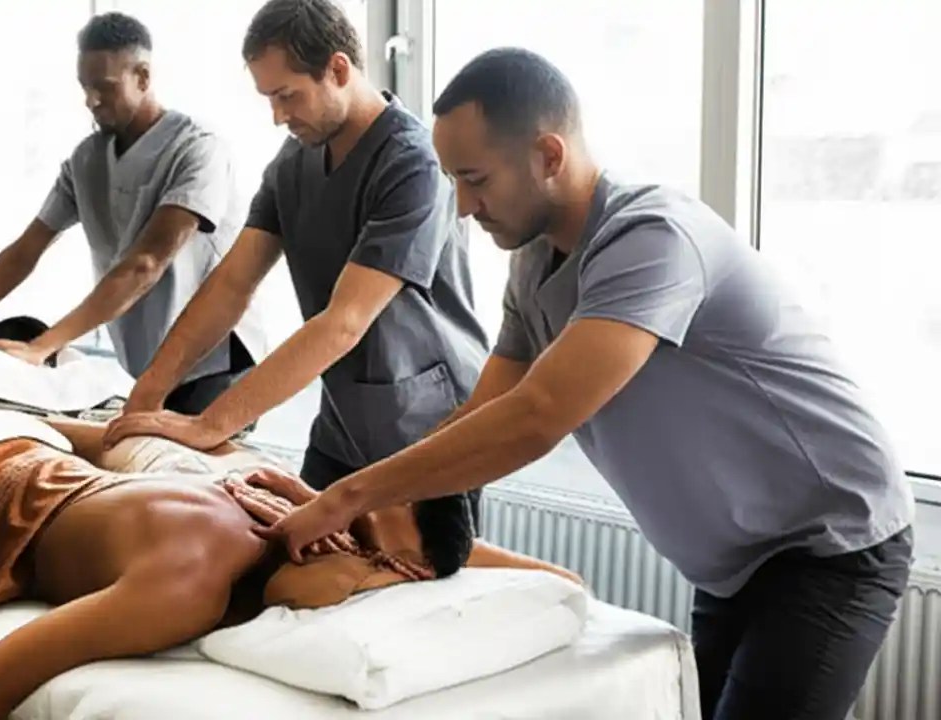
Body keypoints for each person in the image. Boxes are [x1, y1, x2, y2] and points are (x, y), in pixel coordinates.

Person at [253, 48, 916, 720]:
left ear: (547, 154)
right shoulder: (534, 261)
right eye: (453, 179)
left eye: (475, 178)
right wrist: (346, 505)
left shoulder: (650, 239)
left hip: (830, 540)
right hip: (733, 563)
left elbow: (537, 418)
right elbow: (485, 413)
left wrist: (342, 499)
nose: (461, 205)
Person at [0, 408, 579, 720]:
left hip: (51, 460)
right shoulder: (194, 582)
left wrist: (552, 577)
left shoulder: (274, 513)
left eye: (352, 533)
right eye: (342, 508)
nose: (330, 526)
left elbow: (463, 557)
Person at [105, 0, 488, 500]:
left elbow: (344, 321)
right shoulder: (294, 162)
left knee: (402, 573)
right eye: (268, 98)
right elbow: (232, 283)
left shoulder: (413, 163)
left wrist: (209, 424)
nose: (277, 116)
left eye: (287, 95)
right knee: (289, 548)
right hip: (344, 421)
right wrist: (150, 393)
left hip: (427, 429)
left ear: (338, 69)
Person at [0, 12, 265, 417]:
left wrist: (42, 346)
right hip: (145, 364)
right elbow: (24, 252)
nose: (91, 100)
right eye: (85, 87)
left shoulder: (198, 149)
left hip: (214, 365)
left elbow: (146, 264)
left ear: (142, 77)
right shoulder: (86, 160)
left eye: (105, 88)